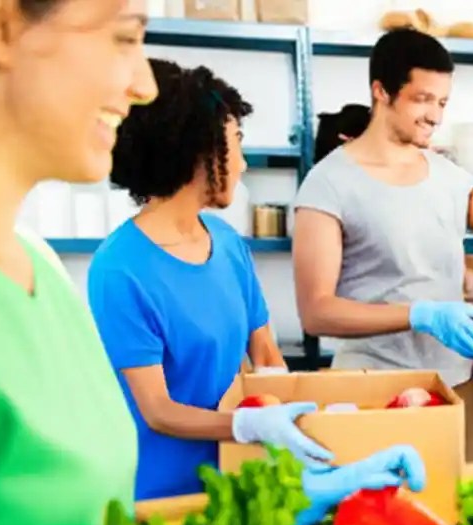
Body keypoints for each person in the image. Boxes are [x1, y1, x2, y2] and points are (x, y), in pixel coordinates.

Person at [0, 2, 410, 525]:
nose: (144, 81)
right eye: (124, 35)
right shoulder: (97, 274)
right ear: (2, 23)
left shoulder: (39, 272)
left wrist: (258, 517)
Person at [292, 28, 473, 461]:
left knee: (467, 515)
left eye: (443, 102)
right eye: (422, 99)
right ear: (381, 92)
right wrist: (419, 314)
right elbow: (316, 311)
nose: (436, 116)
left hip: (456, 387)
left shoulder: (449, 177)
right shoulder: (328, 185)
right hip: (376, 386)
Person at [87, 58, 329, 501]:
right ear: (199, 152)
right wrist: (245, 425)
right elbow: (158, 411)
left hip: (242, 474)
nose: (241, 164)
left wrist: (290, 409)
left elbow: (265, 350)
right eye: (236, 142)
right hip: (163, 492)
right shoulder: (119, 269)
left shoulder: (227, 242)